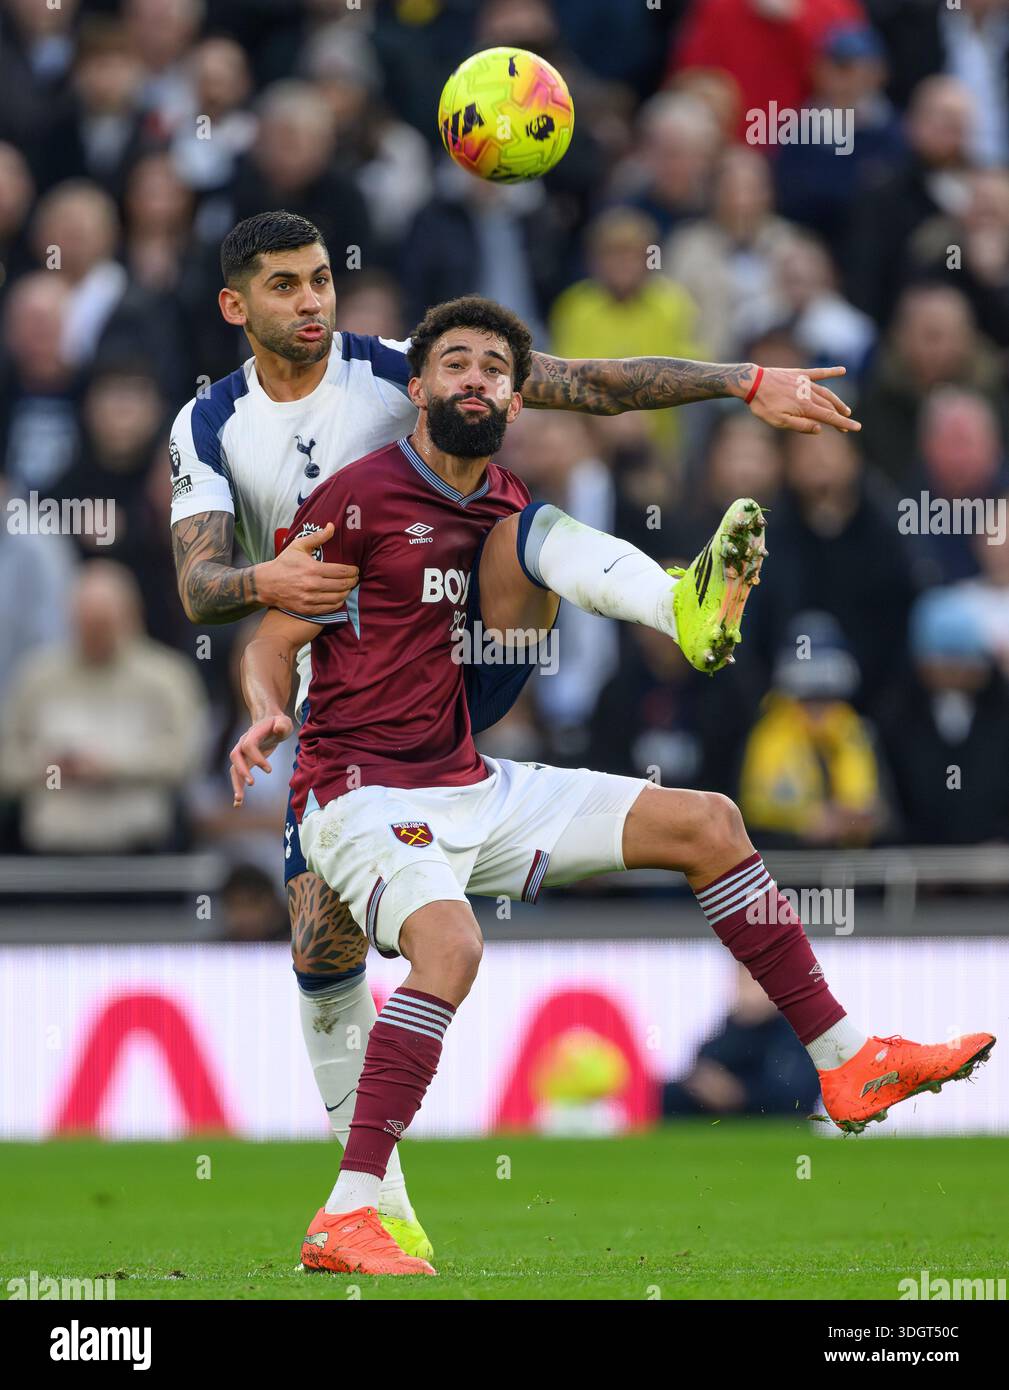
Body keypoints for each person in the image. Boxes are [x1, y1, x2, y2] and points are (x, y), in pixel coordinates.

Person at [230, 296, 994, 1277]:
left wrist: (744, 384)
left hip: (467, 776)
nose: (474, 380)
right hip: (360, 791)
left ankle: (845, 1059)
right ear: (416, 388)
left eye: (494, 369)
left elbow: (595, 403)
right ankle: (348, 1208)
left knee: (709, 821)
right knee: (448, 946)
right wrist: (263, 707)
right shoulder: (358, 498)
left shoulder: (508, 506)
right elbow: (273, 634)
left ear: (516, 393)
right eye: (454, 364)